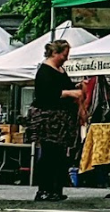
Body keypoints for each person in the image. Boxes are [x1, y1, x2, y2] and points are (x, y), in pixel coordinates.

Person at [28, 40, 82, 202]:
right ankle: (44, 189)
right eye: (64, 55)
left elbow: (65, 86)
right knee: (48, 154)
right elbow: (46, 94)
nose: (66, 58)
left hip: (62, 119)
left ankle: (56, 188)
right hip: (48, 118)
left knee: (59, 154)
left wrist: (77, 87)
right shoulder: (44, 71)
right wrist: (68, 93)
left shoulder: (60, 70)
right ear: (55, 53)